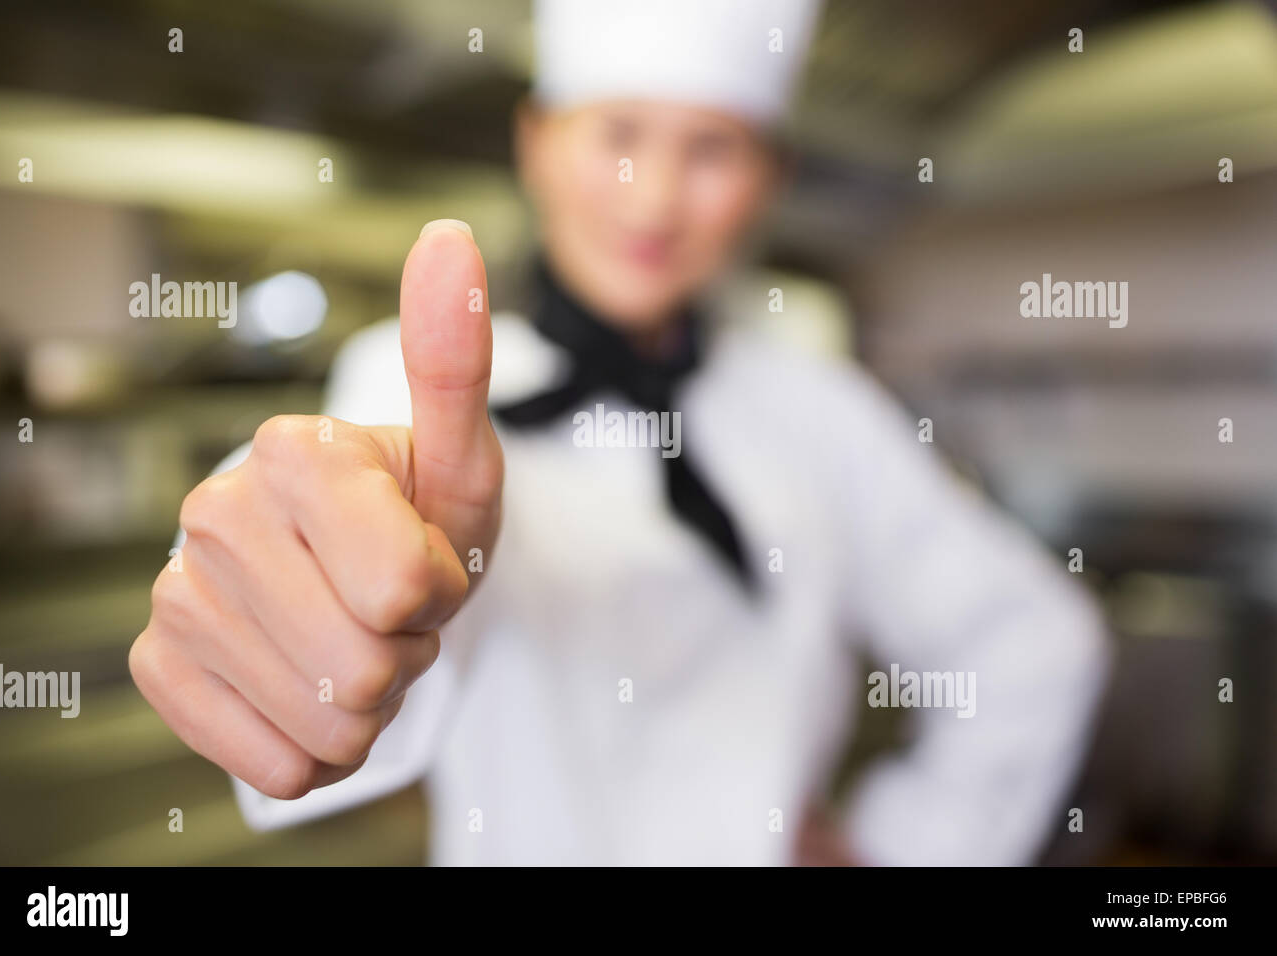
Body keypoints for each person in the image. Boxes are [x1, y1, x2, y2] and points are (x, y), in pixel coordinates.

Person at [129, 0, 1110, 865]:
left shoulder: (822, 409)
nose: (653, 198)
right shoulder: (420, 380)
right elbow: (326, 510)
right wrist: (283, 585)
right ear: (537, 141)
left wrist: (903, 844)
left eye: (713, 147)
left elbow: (1034, 641)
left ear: (769, 176)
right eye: (620, 132)